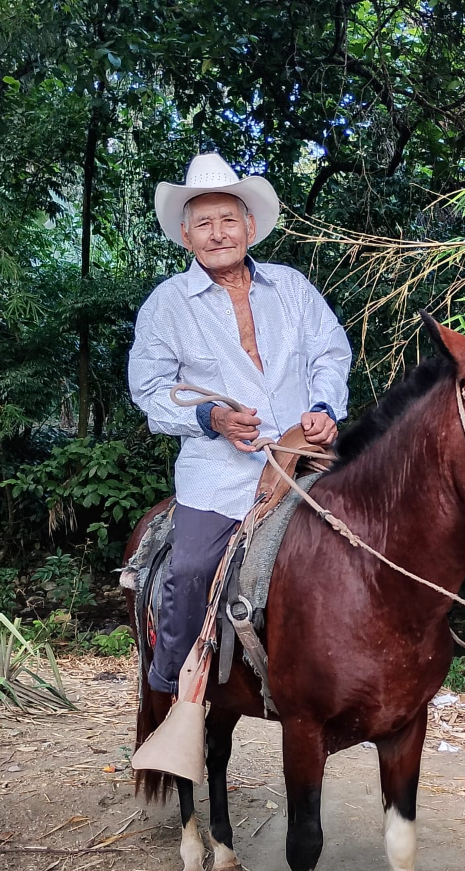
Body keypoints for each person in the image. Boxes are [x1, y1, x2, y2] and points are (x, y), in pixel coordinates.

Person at [128, 153, 351, 696]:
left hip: (306, 458)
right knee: (192, 568)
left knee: (374, 532)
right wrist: (210, 417)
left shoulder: (292, 288)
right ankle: (171, 692)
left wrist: (323, 409)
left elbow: (331, 353)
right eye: (203, 223)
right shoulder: (168, 304)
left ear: (250, 226)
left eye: (228, 220)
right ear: (185, 235)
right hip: (220, 473)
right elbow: (149, 391)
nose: (218, 233)